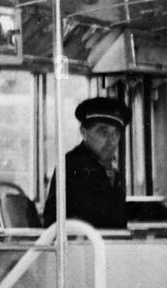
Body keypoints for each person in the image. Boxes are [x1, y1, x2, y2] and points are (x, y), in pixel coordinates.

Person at [42, 97, 130, 230]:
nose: (112, 141)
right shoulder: (74, 166)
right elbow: (103, 213)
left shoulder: (108, 166)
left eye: (116, 133)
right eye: (104, 132)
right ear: (84, 132)